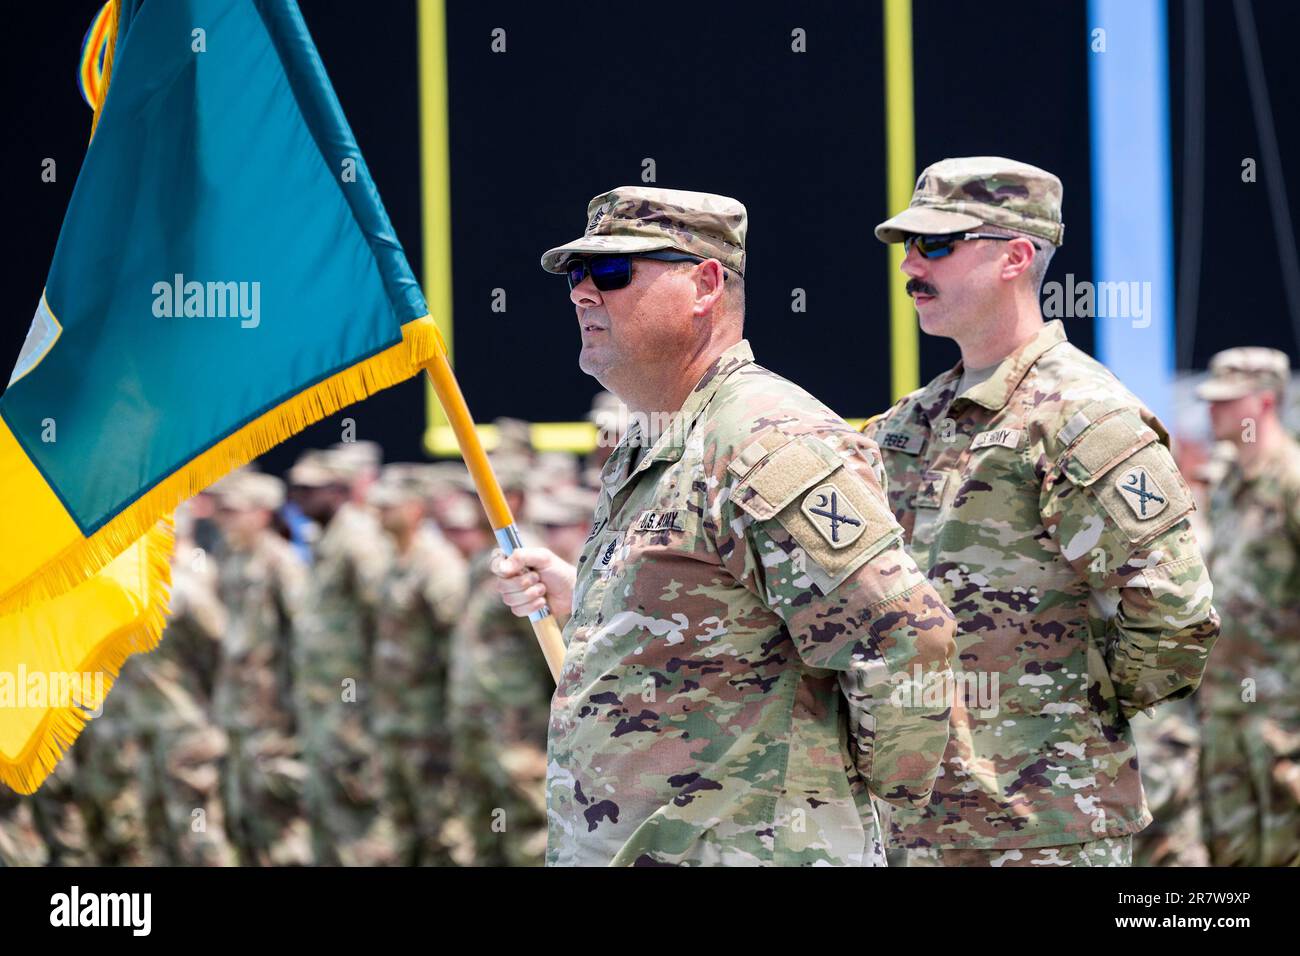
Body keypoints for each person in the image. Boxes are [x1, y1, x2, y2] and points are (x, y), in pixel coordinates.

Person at [491, 186, 957, 866]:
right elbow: (725, 610)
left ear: (705, 283)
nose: (583, 293)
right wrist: (591, 596)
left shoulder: (764, 438)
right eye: (576, 274)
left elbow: (907, 636)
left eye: (613, 272)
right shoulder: (657, 434)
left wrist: (844, 806)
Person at [865, 156, 1221, 866]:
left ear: (1015, 257)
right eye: (908, 245)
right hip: (917, 825)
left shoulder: (1081, 415)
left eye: (936, 244)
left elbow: (1174, 612)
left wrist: (1067, 709)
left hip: (1042, 827)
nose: (912, 265)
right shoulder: (911, 423)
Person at [1196, 347, 1300, 866]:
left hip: (1283, 718)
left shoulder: (1292, 482)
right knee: (1229, 859)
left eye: (1225, 401)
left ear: (1263, 401)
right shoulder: (1229, 483)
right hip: (1227, 712)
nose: (1210, 411)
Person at [210, 469, 312, 866]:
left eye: (234, 512)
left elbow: (303, 640)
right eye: (222, 512)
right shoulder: (226, 556)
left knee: (279, 822)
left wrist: (296, 708)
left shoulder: (281, 562)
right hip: (234, 713)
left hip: (272, 717)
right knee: (240, 817)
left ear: (262, 514)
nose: (224, 519)